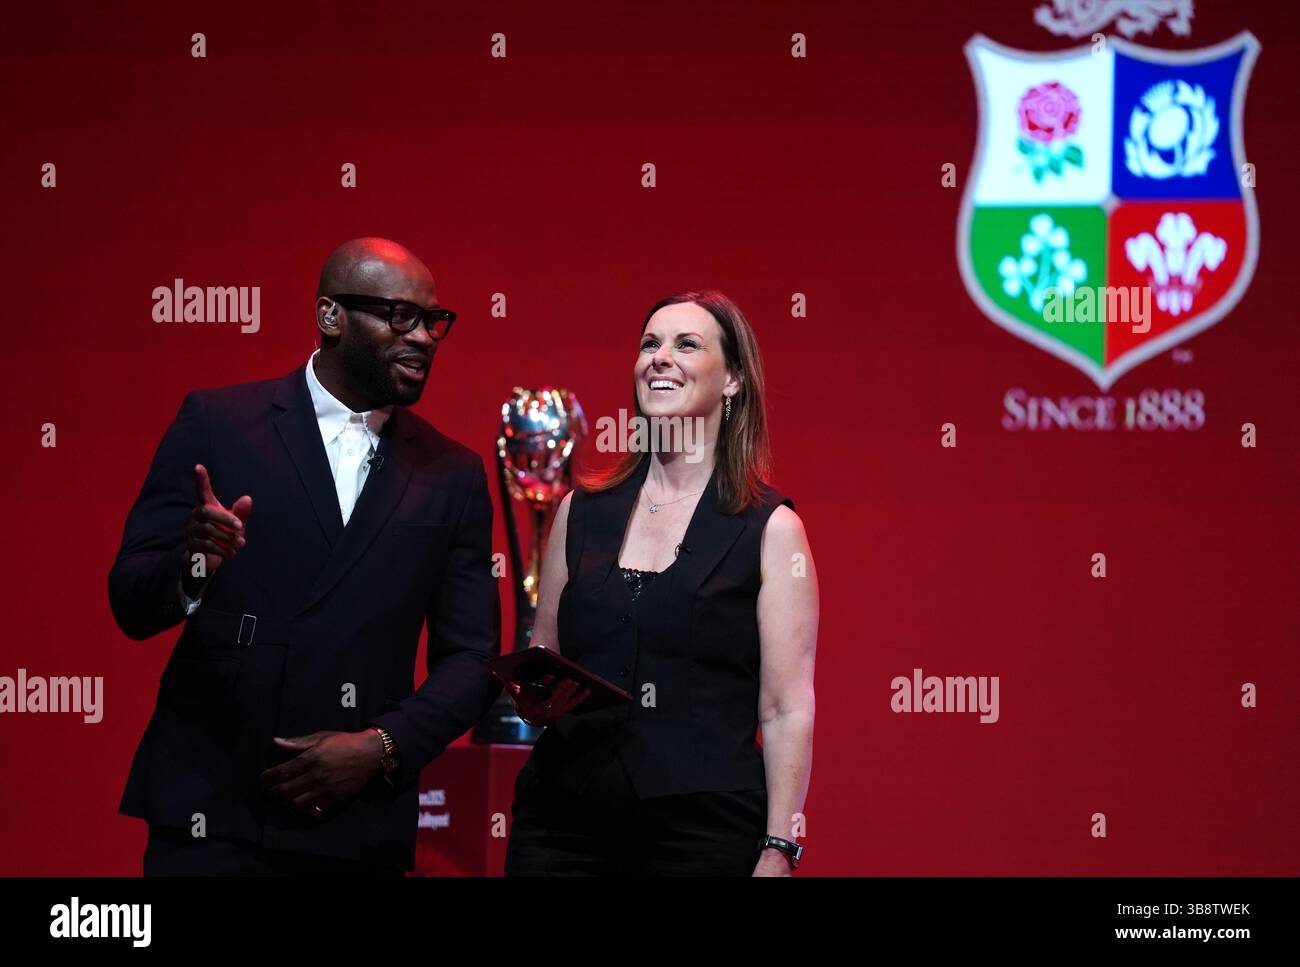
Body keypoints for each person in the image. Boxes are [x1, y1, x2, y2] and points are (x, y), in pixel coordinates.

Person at [108, 237, 501, 875]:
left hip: (355, 823)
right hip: (214, 813)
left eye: (433, 321)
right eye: (401, 317)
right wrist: (193, 566)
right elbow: (129, 601)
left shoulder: (453, 473)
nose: (424, 337)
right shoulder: (218, 423)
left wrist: (381, 748)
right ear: (330, 317)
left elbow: (474, 659)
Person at [504, 290, 817, 876]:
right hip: (562, 828)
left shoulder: (771, 529)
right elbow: (544, 655)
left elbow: (784, 708)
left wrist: (780, 849)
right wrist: (534, 692)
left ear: (733, 382)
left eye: (686, 344)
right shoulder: (581, 510)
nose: (659, 357)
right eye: (649, 343)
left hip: (700, 835)